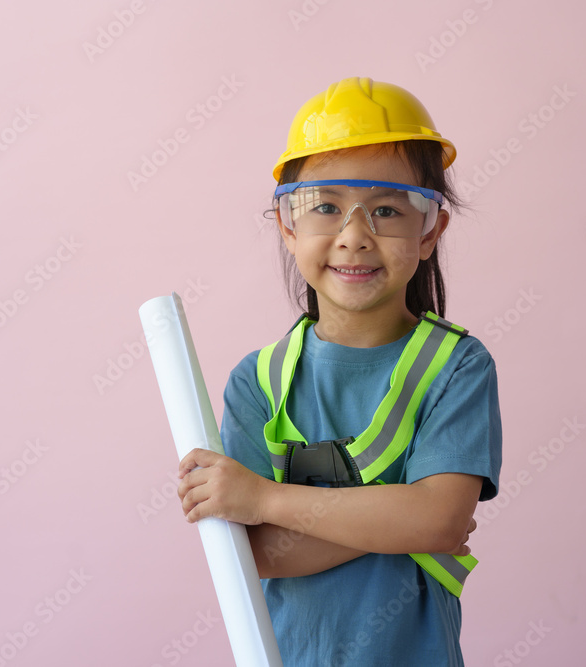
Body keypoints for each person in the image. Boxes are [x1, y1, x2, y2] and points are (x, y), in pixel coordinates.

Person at [177, 77, 502, 666]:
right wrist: (399, 518)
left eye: (386, 208)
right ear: (287, 224)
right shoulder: (259, 382)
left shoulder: (456, 366)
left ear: (430, 230)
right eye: (325, 206)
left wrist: (264, 498)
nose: (355, 236)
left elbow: (438, 520)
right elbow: (258, 556)